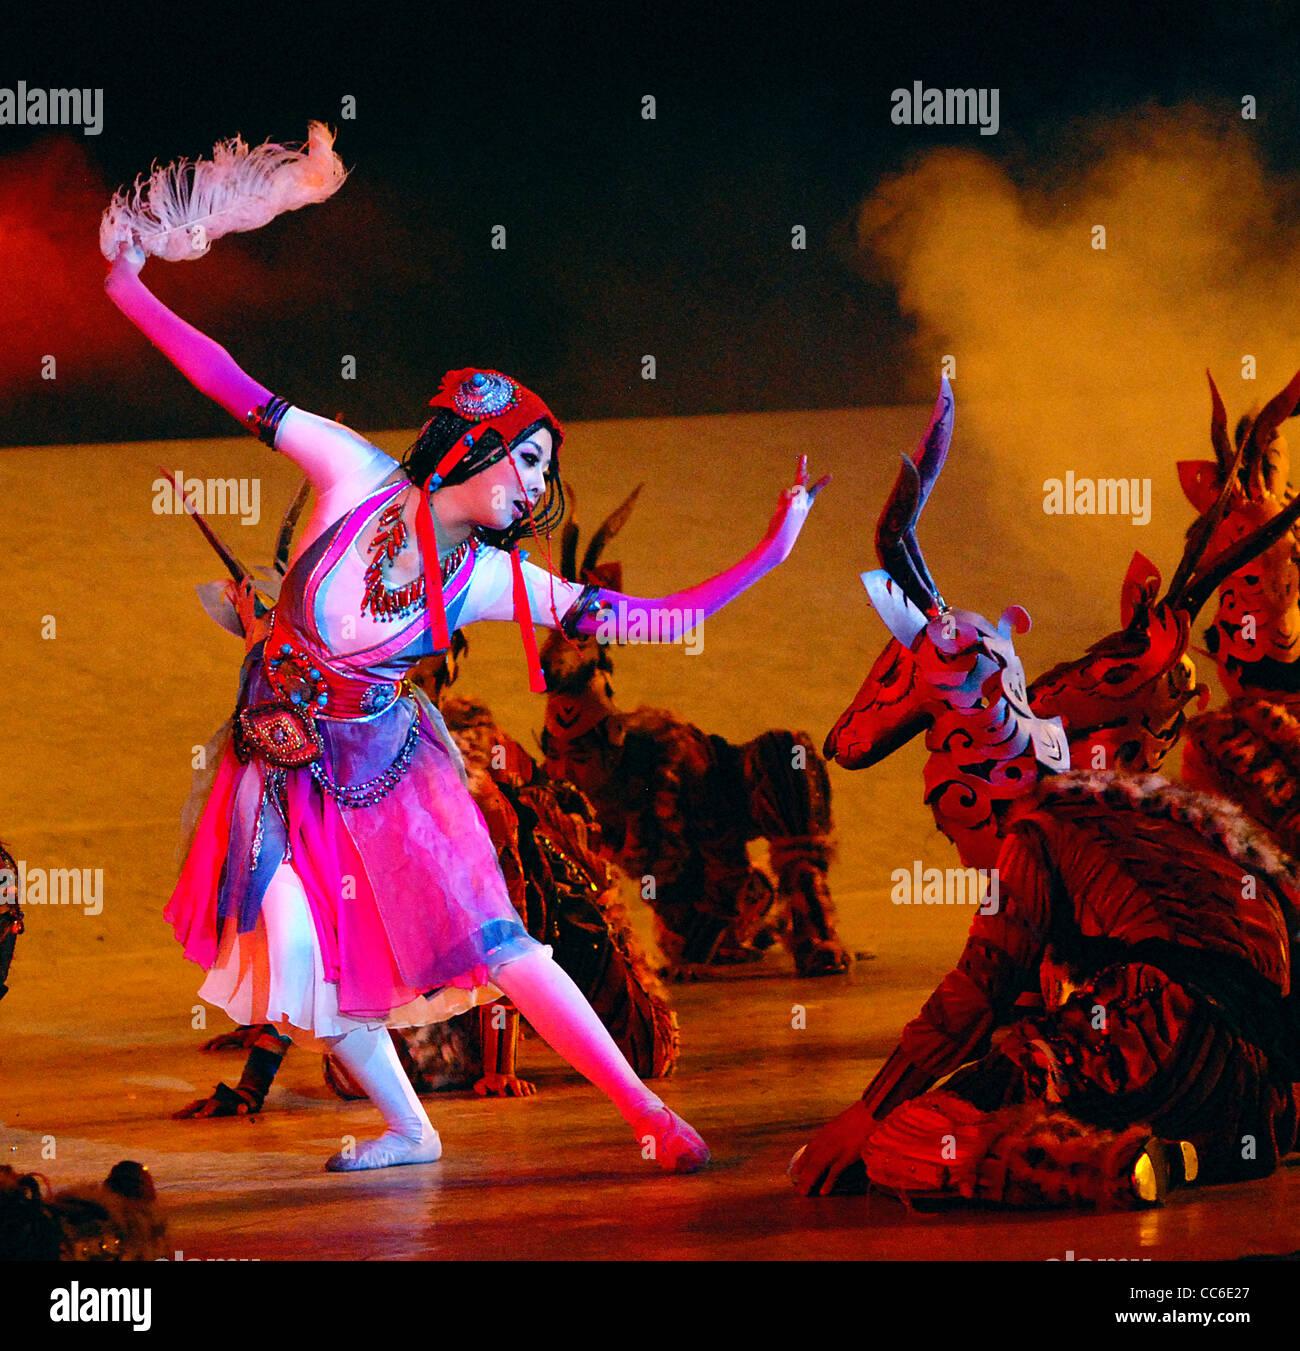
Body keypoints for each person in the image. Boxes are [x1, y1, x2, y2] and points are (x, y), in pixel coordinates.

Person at [104, 240, 826, 1173]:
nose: (535, 486)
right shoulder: (348, 472)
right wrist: (128, 288)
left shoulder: (486, 575)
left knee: (501, 942)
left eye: (542, 469)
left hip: (386, 771)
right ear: (474, 446)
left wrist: (772, 550)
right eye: (525, 460)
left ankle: (647, 1113)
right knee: (298, 963)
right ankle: (411, 1128)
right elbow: (229, 380)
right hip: (277, 767)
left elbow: (650, 620)